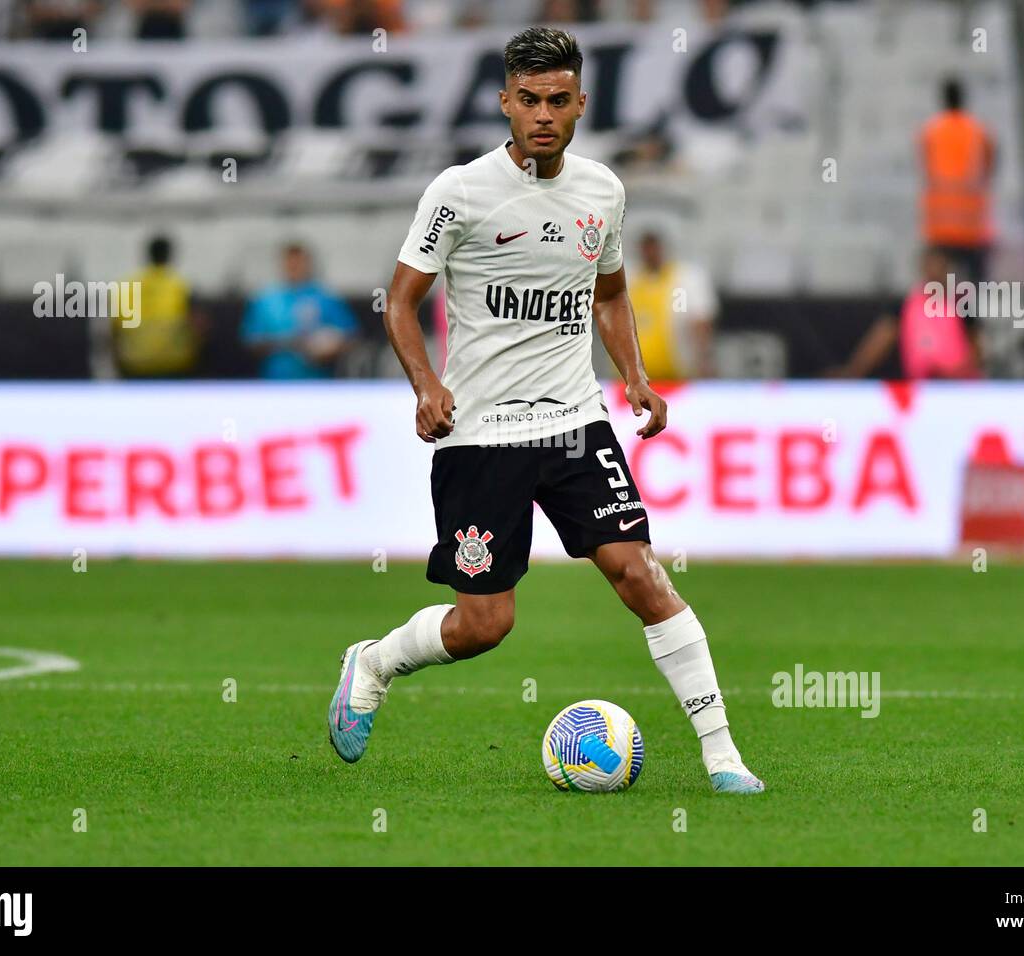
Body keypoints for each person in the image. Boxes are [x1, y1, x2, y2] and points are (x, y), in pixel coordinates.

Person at [326, 27, 765, 796]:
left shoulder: (603, 191)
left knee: (639, 573)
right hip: (481, 436)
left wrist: (634, 374)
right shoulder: (458, 192)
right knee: (485, 624)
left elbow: (612, 291)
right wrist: (427, 384)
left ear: (580, 105)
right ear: (504, 102)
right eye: (527, 100)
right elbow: (400, 300)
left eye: (557, 100)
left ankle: (723, 756)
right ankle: (374, 662)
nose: (542, 115)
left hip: (573, 422)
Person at [830, 247, 980, 380]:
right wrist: (854, 371)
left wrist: (958, 373)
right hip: (922, 387)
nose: (934, 271)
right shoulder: (907, 305)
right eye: (930, 264)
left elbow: (975, 346)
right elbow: (880, 339)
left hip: (958, 386)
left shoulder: (960, 303)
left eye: (939, 265)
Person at [241, 243, 356, 379]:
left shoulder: (326, 297)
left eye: (299, 262)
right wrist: (290, 343)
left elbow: (351, 337)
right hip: (275, 383)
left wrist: (329, 347)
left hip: (318, 384)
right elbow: (250, 340)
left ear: (308, 263)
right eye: (290, 262)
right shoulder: (265, 299)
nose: (294, 267)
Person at [919, 78, 995, 283]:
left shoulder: (932, 130)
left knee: (940, 285)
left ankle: (944, 316)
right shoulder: (977, 129)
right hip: (972, 224)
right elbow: (989, 164)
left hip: (941, 224)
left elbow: (925, 168)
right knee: (973, 285)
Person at [104, 235, 202, 379]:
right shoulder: (181, 286)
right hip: (174, 363)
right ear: (170, 255)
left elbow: (114, 331)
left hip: (134, 364)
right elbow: (197, 325)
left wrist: (117, 364)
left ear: (147, 255)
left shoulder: (126, 286)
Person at [628, 230, 718, 379]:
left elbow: (700, 322)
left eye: (653, 247)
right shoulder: (629, 279)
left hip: (676, 378)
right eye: (646, 247)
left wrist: (704, 360)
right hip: (630, 382)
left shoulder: (685, 279)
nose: (650, 253)